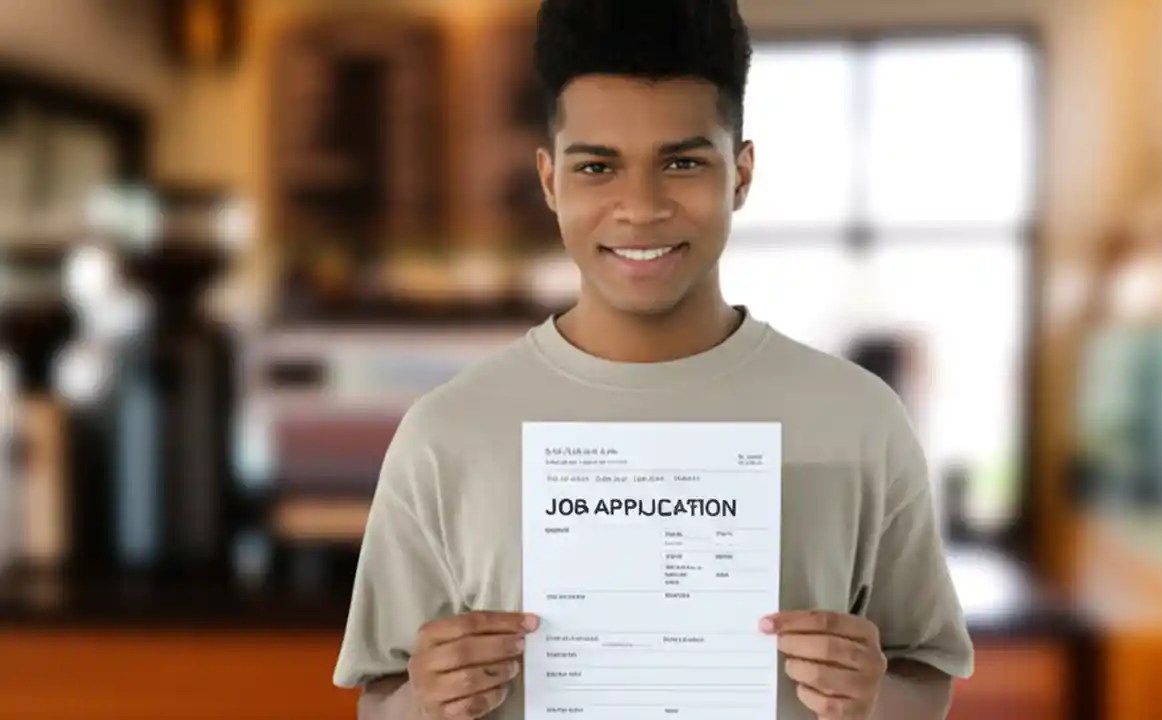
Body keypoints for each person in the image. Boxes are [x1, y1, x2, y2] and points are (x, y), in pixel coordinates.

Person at [334, 1, 975, 717]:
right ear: (550, 181)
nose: (640, 207)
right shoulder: (444, 434)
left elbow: (926, 675)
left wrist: (875, 698)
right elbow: (379, 699)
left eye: (681, 162)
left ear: (742, 172)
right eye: (598, 166)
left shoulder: (859, 420)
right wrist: (425, 700)